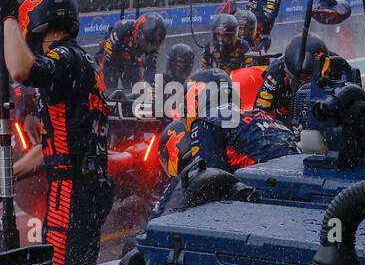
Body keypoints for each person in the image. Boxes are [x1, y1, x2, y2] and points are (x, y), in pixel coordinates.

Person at [0, 0, 113, 265]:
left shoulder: (63, 55)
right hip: (88, 185)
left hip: (71, 189)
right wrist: (7, 178)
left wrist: (8, 18)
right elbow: (57, 146)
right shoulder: (83, 60)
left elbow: (21, 70)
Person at [154, 68, 297, 214]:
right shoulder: (260, 115)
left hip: (271, 193)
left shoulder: (206, 121)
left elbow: (208, 180)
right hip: (298, 185)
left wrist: (160, 216)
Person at [255, 33, 330, 123]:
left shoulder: (335, 65)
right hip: (284, 122)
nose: (302, 84)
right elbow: (260, 112)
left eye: (307, 79)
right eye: (298, 79)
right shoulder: (276, 73)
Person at [96, 11, 167, 94]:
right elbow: (107, 61)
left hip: (131, 59)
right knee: (107, 90)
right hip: (111, 55)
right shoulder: (120, 31)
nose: (149, 47)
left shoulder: (155, 43)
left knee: (136, 90)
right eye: (147, 42)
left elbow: (150, 66)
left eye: (152, 44)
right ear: (138, 32)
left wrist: (150, 85)